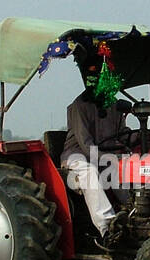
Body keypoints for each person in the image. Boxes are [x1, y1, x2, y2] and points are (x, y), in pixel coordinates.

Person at [61, 87, 143, 245]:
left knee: (129, 165)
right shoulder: (80, 105)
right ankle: (107, 227)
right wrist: (111, 159)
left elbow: (122, 134)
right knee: (89, 172)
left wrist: (140, 135)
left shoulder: (115, 105)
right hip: (78, 156)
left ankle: (136, 213)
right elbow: (86, 145)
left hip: (106, 155)